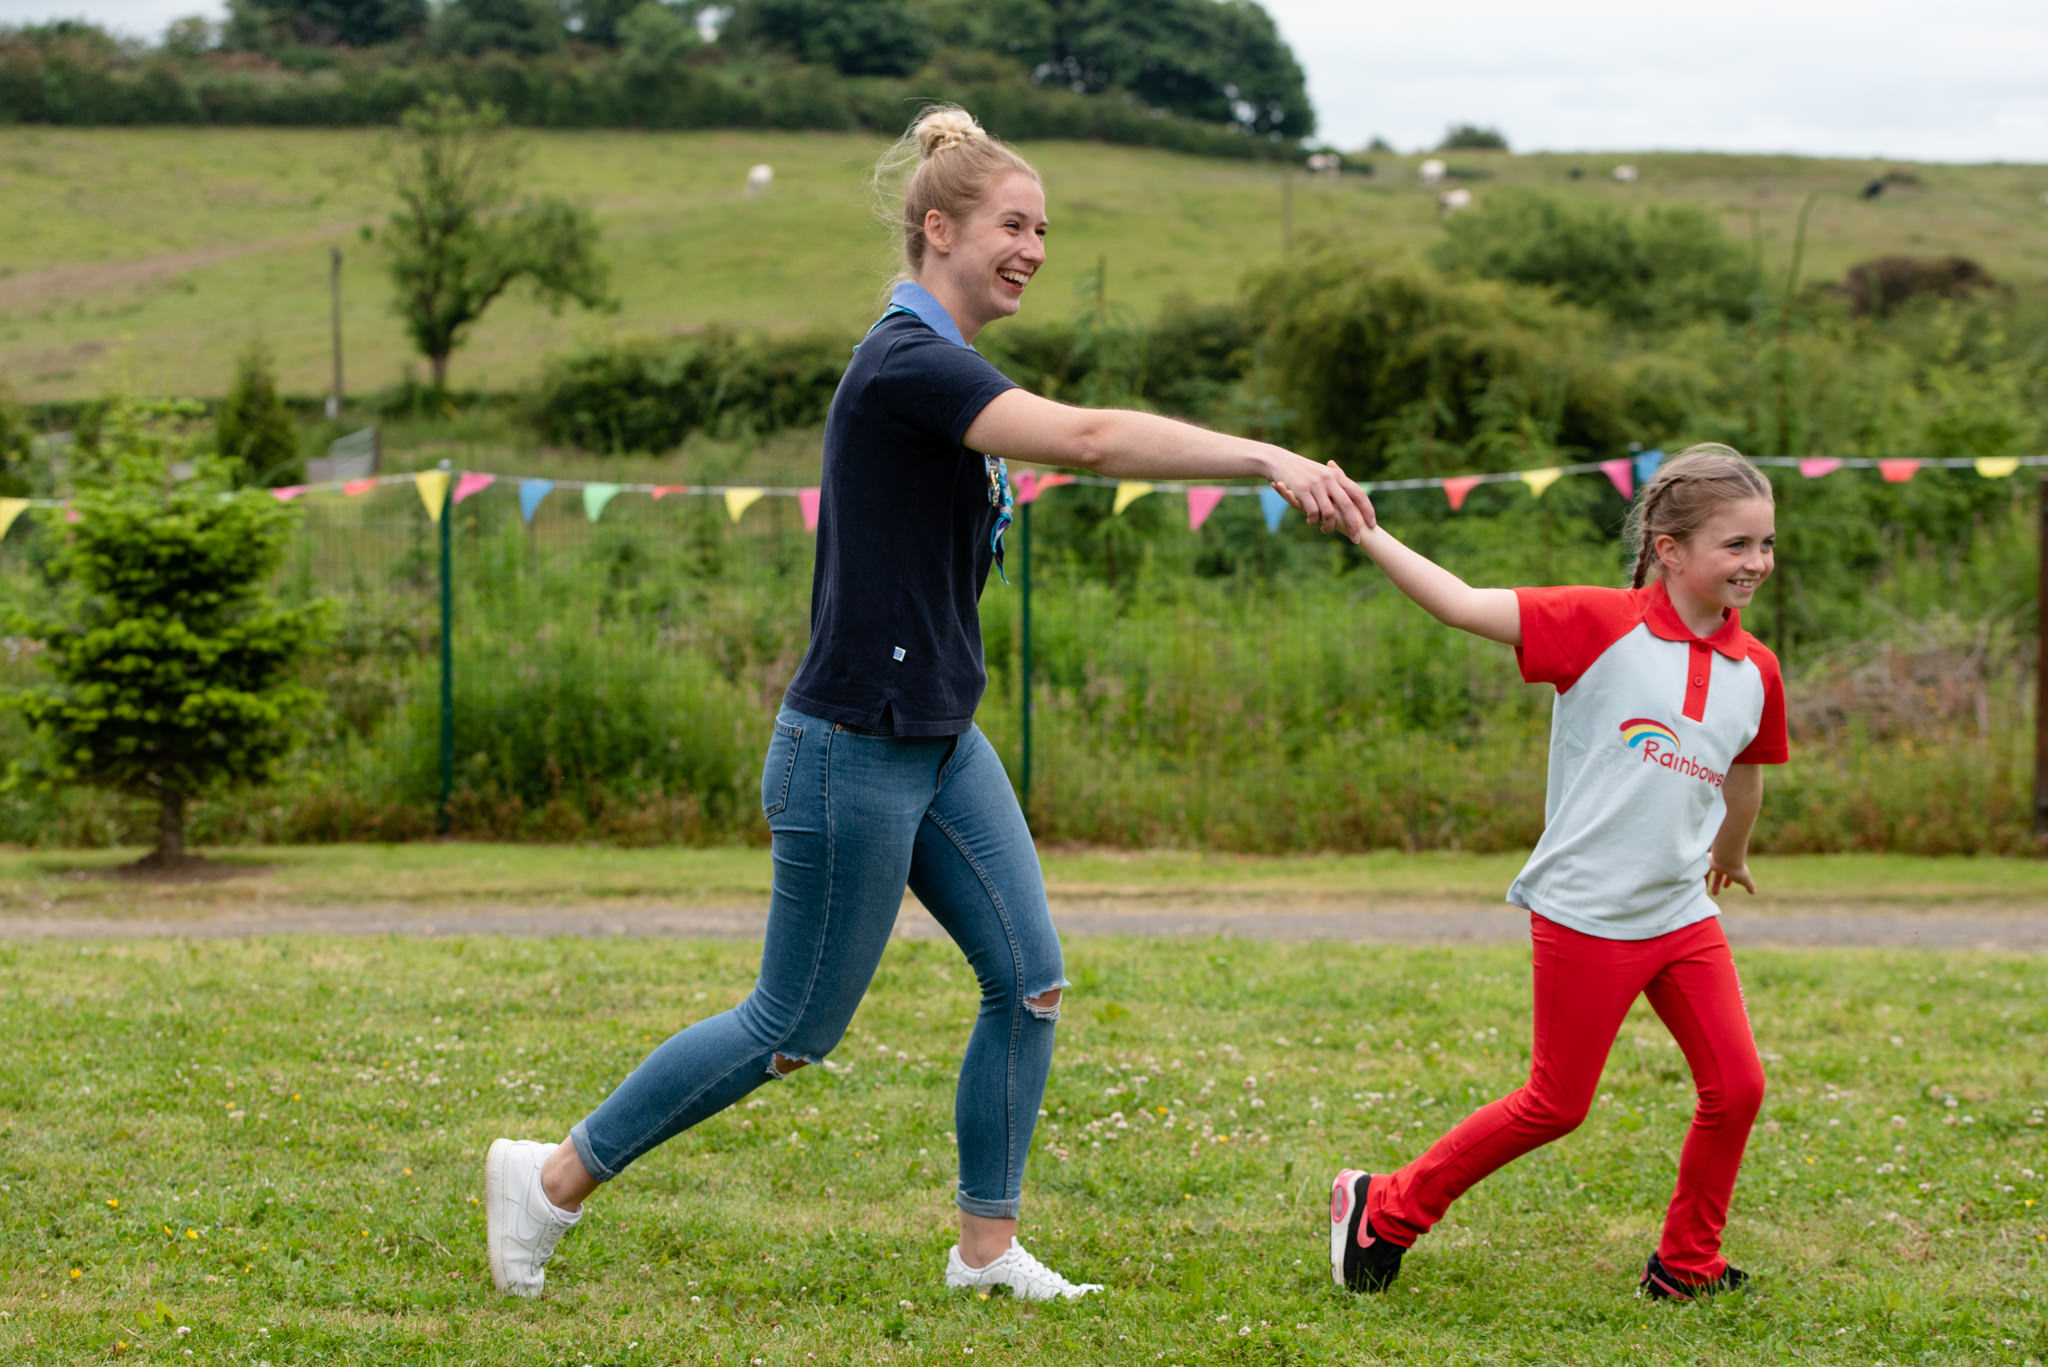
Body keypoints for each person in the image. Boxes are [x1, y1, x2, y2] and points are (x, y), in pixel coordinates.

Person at [485, 105, 1377, 1303]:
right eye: (1014, 223)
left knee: (1028, 979)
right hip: (850, 743)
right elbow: (1093, 440)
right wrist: (1262, 457)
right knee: (790, 1025)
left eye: (1044, 228)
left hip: (939, 738)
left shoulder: (940, 363)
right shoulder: (907, 362)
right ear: (937, 226)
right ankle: (546, 1182)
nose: (1035, 248)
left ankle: (984, 1249)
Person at [1321, 444, 1786, 1302]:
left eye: (1765, 544)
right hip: (1586, 913)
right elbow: (1460, 604)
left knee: (1738, 1085)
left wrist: (1730, 851)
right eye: (1736, 545)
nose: (1756, 563)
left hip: (1680, 913)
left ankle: (1686, 1265)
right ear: (1670, 547)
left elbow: (1748, 768)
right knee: (1557, 1102)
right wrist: (1368, 532)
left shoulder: (1755, 667)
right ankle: (1382, 1207)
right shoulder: (1597, 622)